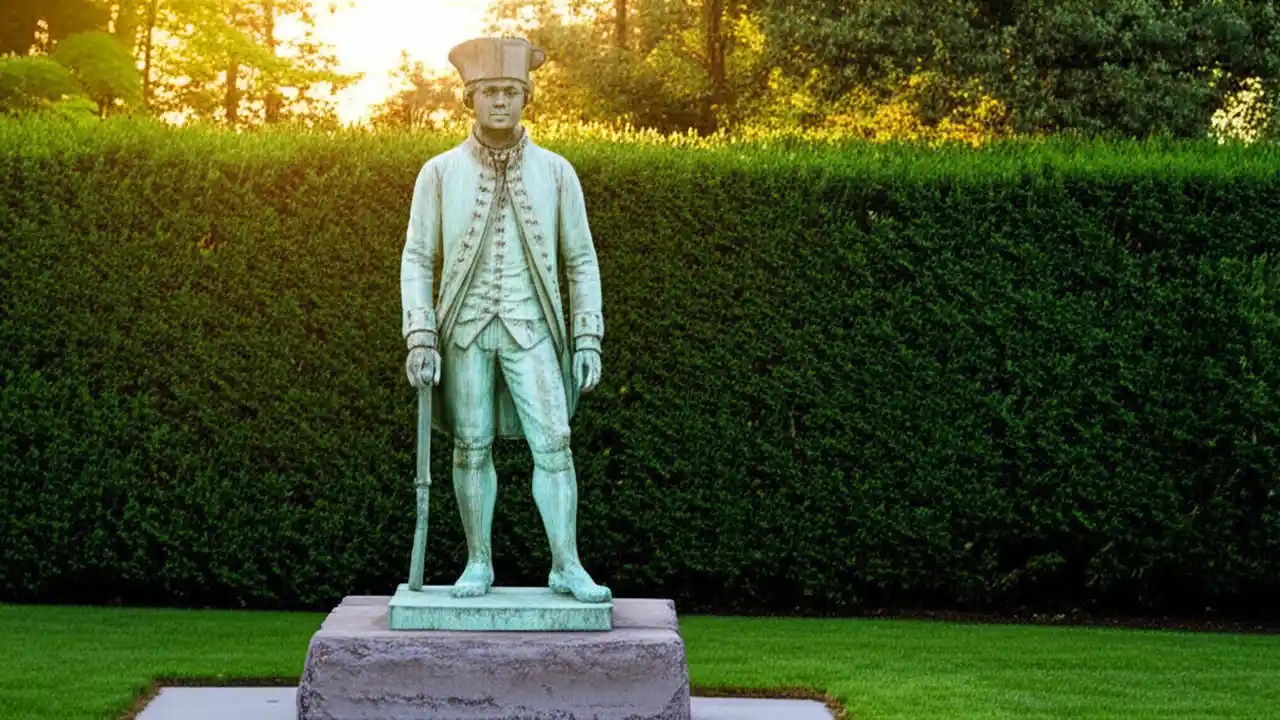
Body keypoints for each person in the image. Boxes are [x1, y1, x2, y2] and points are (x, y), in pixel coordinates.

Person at [399, 37, 610, 603]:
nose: (500, 101)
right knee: (470, 446)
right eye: (489, 91)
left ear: (526, 97)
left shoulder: (558, 173)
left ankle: (566, 564)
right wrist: (420, 333)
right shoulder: (437, 173)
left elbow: (581, 258)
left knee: (556, 443)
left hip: (533, 329)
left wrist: (587, 334)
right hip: (464, 331)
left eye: (510, 91)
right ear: (470, 97)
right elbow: (418, 257)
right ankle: (478, 563)